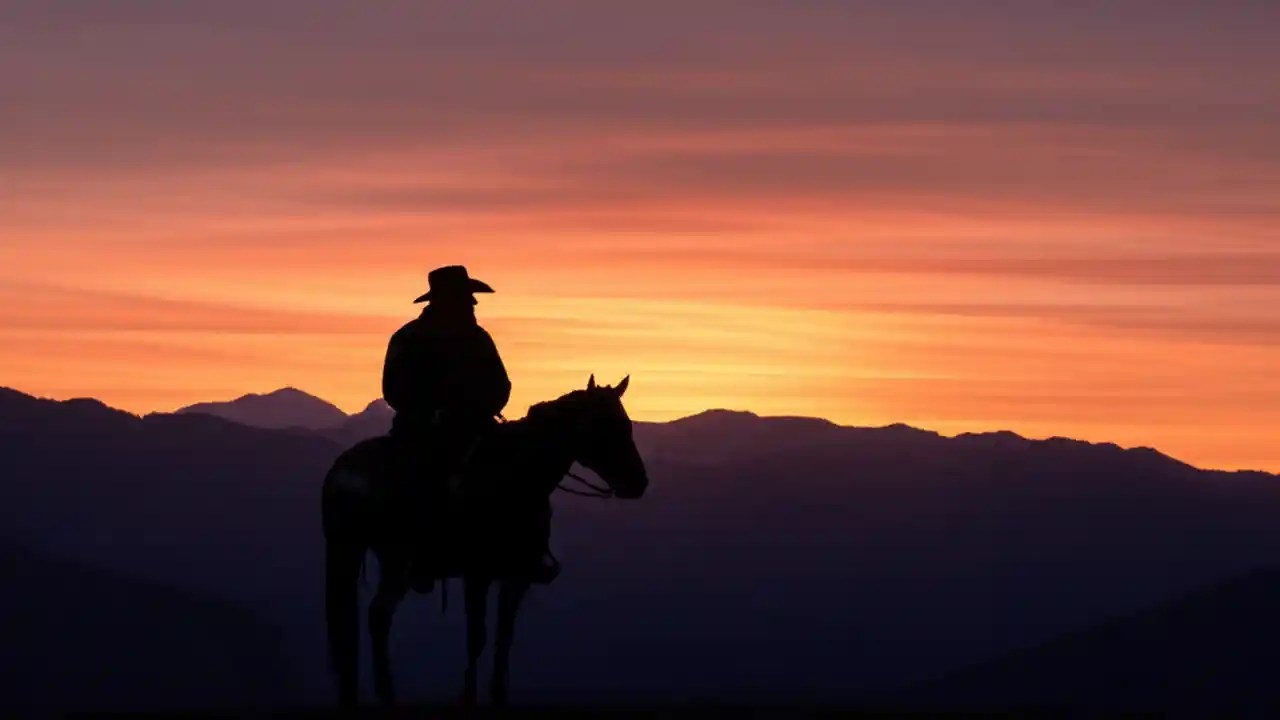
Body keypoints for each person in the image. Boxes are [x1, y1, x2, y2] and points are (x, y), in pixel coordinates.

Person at [381, 265, 555, 590]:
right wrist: (430, 412)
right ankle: (422, 555)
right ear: (447, 300)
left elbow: (501, 383)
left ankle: (528, 550)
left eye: (471, 299)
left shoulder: (478, 338)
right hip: (421, 428)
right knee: (426, 477)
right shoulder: (409, 339)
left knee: (522, 472)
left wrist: (486, 407)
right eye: (466, 298)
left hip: (475, 424)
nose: (473, 305)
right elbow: (393, 388)